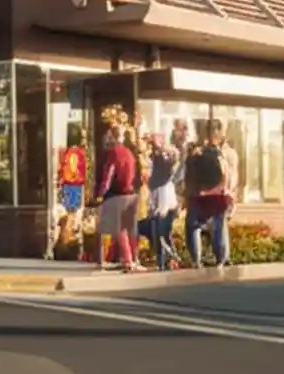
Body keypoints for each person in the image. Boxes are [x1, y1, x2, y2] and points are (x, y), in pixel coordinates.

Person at [94, 109, 142, 272]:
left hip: (118, 193)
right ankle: (134, 258)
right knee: (130, 227)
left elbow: (109, 174)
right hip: (132, 192)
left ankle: (126, 259)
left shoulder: (114, 153)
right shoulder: (129, 153)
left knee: (118, 228)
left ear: (113, 137)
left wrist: (101, 193)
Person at [184, 119, 232, 268]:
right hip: (211, 194)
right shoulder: (214, 152)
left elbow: (225, 175)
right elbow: (225, 174)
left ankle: (204, 259)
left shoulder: (205, 152)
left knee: (199, 225)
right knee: (216, 226)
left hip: (206, 194)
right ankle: (218, 258)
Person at [143, 132, 180, 271]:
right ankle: (164, 260)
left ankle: (170, 259)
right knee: (157, 231)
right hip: (155, 195)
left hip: (164, 197)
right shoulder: (151, 157)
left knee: (161, 231)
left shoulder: (166, 158)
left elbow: (174, 159)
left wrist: (162, 148)